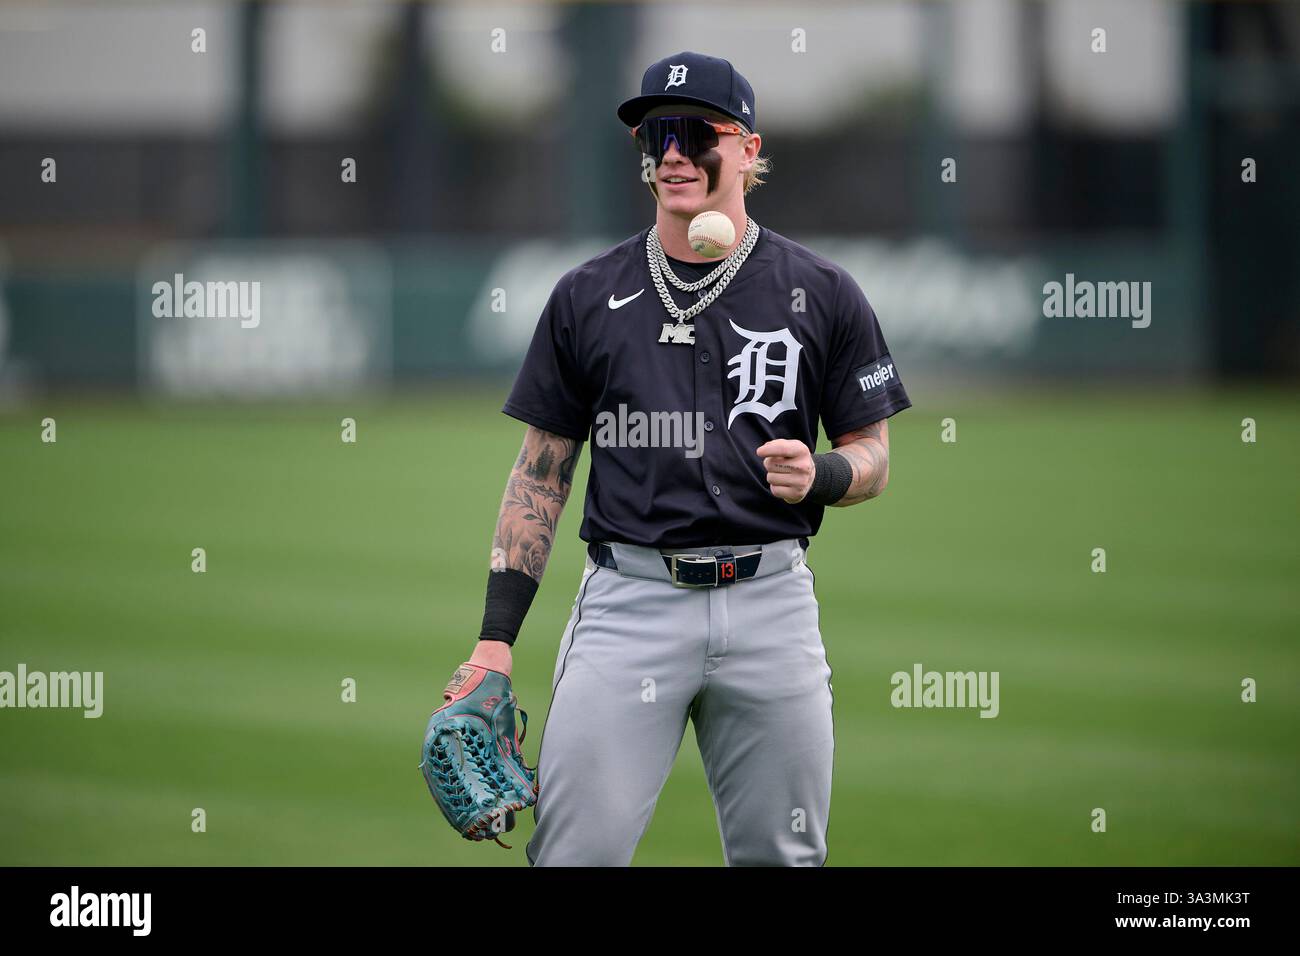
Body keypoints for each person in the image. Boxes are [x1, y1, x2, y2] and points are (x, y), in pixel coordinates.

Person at [446, 51, 911, 866]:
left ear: (748, 150)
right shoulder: (588, 296)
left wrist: (826, 474)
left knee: (782, 858)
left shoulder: (822, 291)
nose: (670, 153)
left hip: (771, 605)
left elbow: (873, 454)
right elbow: (540, 476)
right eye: (656, 133)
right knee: (574, 856)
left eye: (695, 131)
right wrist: (494, 639)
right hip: (630, 607)